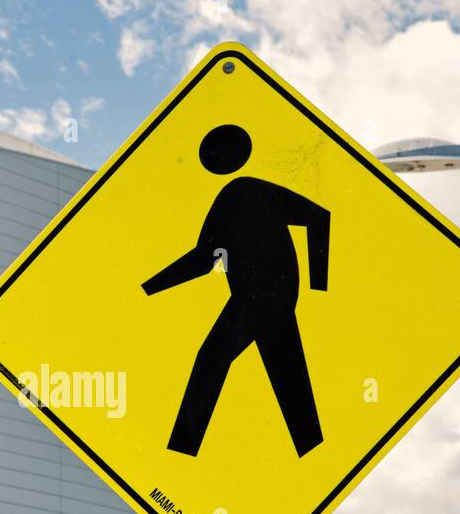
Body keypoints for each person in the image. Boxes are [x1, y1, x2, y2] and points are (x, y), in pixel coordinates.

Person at [142, 123, 331, 457]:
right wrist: (149, 288)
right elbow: (204, 259)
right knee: (287, 376)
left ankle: (181, 451)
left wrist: (320, 287)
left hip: (263, 296)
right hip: (262, 297)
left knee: (212, 361)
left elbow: (318, 217)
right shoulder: (231, 197)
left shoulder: (245, 190)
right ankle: (314, 451)